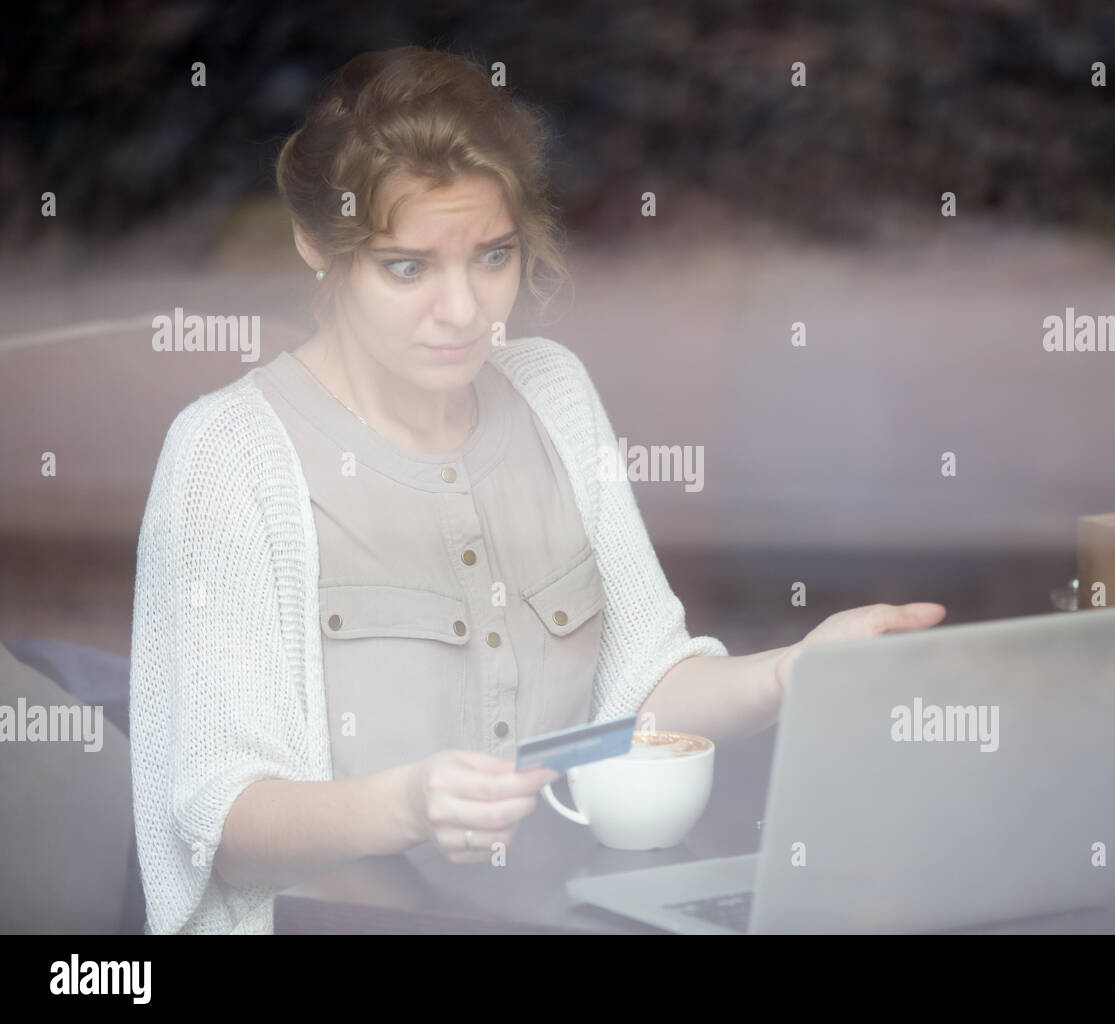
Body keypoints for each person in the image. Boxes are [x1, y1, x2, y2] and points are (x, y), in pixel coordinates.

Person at [128, 45, 945, 935]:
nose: (464, 310)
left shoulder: (552, 391)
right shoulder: (229, 455)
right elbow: (224, 827)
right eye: (408, 267)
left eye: (492, 256)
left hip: (576, 910)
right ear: (317, 245)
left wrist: (796, 674)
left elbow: (645, 695)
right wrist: (409, 803)